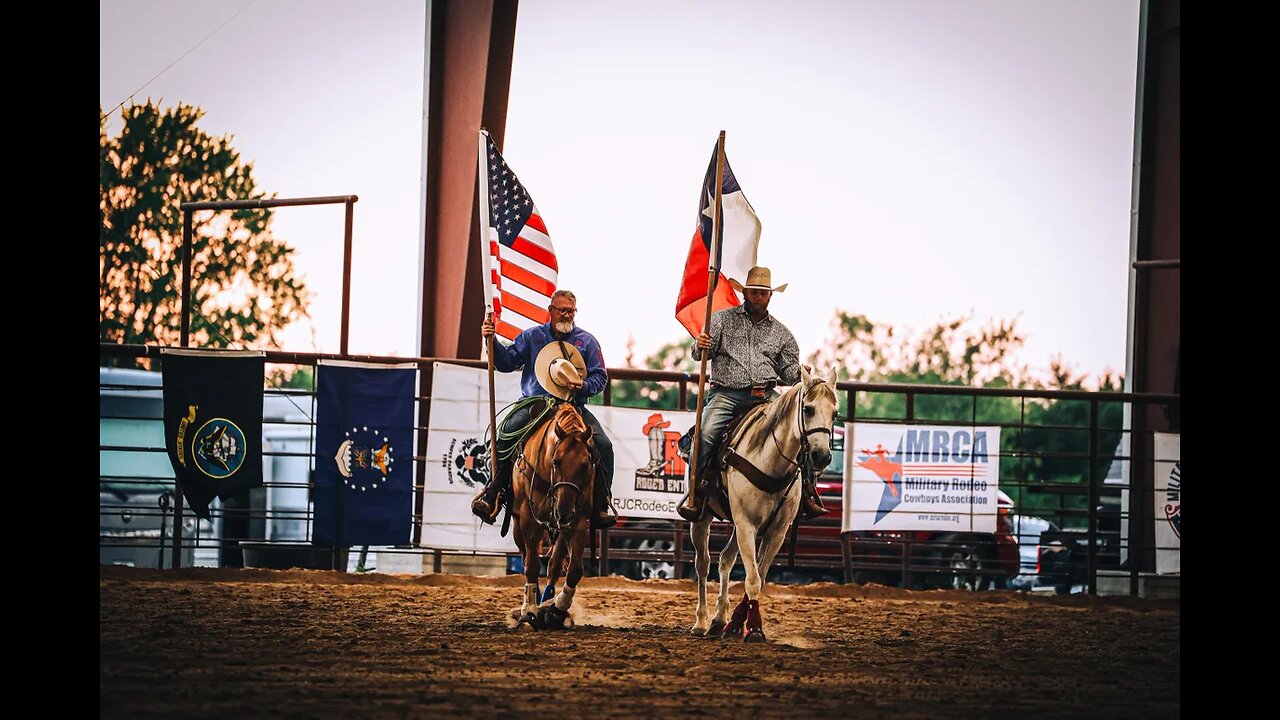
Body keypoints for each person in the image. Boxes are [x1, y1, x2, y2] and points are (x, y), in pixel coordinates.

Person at [677, 265, 828, 521]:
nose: (758, 297)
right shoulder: (721, 320)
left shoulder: (783, 334)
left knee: (797, 431)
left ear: (770, 296)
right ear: (745, 293)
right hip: (727, 393)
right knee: (705, 433)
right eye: (754, 292)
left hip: (766, 395)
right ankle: (696, 492)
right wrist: (699, 344)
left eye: (763, 293)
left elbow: (789, 371)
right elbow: (699, 353)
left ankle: (807, 492)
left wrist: (800, 372)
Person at [470, 290, 617, 529]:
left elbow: (600, 377)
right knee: (504, 437)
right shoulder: (531, 337)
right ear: (551, 311)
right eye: (562, 310)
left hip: (573, 405)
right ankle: (493, 491)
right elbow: (506, 362)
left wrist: (583, 385)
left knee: (603, 446)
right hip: (535, 403)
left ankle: (602, 502)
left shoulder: (587, 341)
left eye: (571, 311)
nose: (567, 315)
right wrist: (492, 341)